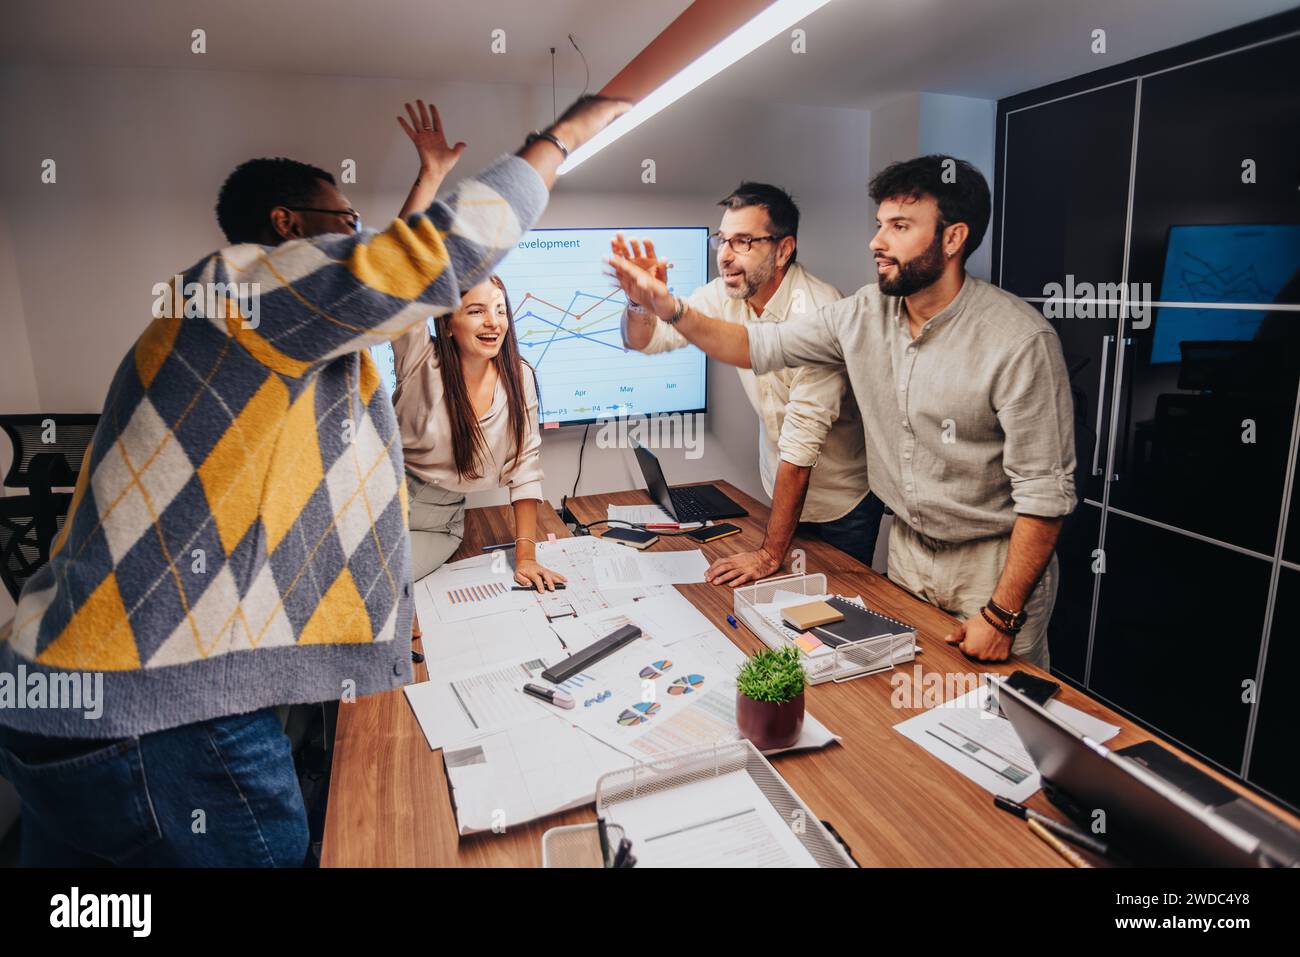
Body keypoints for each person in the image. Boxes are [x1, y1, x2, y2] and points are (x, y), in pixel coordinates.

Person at [0, 95, 627, 866]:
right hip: (156, 713)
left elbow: (386, 281)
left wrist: (429, 175)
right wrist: (560, 138)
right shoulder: (243, 286)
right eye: (344, 223)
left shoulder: (254, 328)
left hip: (58, 700)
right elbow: (412, 263)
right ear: (288, 226)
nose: (357, 238)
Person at [609, 155, 1076, 668]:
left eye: (899, 227)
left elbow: (1044, 496)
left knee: (996, 718)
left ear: (952, 238)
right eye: (880, 225)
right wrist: (665, 305)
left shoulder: (1020, 340)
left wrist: (1002, 615)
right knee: (905, 696)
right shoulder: (862, 313)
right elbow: (754, 345)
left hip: (991, 566)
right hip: (908, 551)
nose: (877, 242)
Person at [615, 182, 879, 586]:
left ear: (783, 249)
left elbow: (800, 449)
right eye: (723, 240)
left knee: (834, 615)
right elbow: (645, 340)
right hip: (781, 496)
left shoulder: (819, 311)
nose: (725, 255)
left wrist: (770, 553)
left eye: (743, 242)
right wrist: (639, 303)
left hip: (840, 506)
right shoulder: (726, 295)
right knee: (775, 611)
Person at [389, 102, 565, 594]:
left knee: (383, 590)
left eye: (501, 309)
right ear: (446, 324)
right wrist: (431, 176)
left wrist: (525, 557)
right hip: (380, 503)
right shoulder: (420, 360)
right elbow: (397, 271)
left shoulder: (520, 377)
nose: (494, 322)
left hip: (439, 523)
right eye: (476, 310)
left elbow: (526, 465)